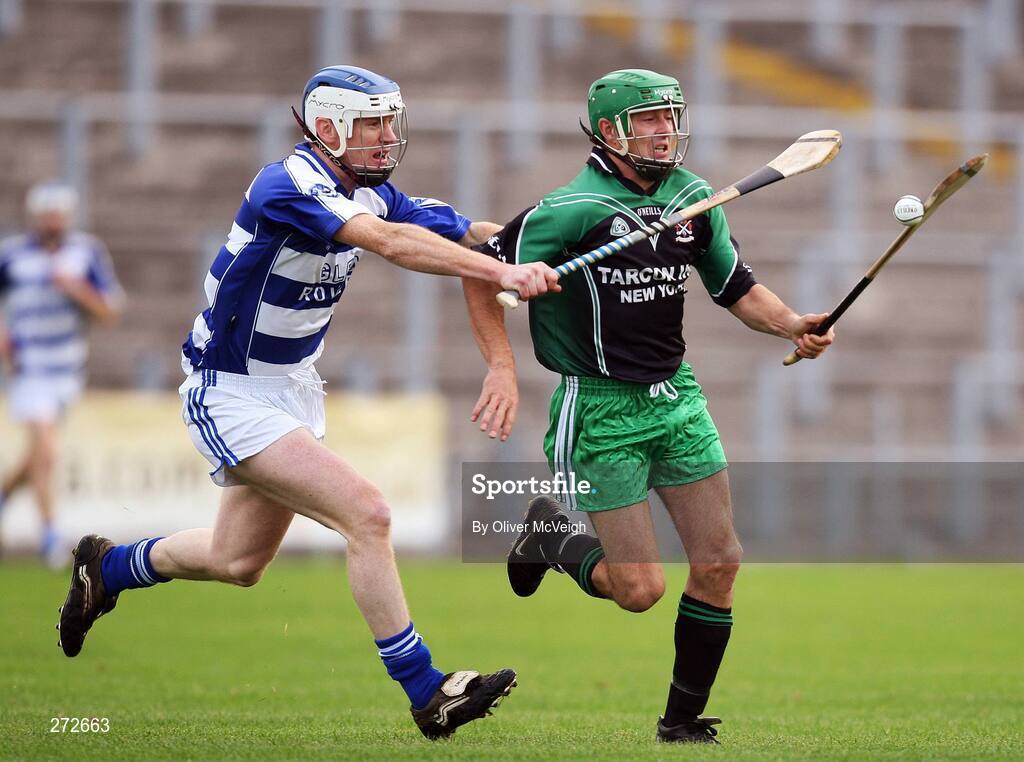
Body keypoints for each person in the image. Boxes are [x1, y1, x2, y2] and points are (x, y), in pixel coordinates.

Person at [56, 65, 559, 739]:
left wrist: (552, 239)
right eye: (371, 124)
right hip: (230, 391)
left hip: (292, 390)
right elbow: (390, 243)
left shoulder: (371, 192)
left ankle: (108, 567)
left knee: (239, 562)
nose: (386, 137)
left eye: (390, 122)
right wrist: (502, 273)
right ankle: (427, 692)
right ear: (327, 130)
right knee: (369, 515)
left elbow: (467, 232)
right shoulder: (288, 183)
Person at [463, 68, 834, 744]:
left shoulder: (696, 199)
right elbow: (478, 267)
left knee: (720, 562)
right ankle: (551, 537)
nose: (665, 131)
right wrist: (501, 363)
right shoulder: (568, 209)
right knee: (638, 592)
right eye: (649, 120)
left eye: (672, 117)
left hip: (677, 398)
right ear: (609, 132)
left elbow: (737, 287)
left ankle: (682, 721)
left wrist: (792, 324)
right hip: (601, 409)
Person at [0, 182, 123, 561]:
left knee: (39, 453)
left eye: (59, 214)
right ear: (36, 217)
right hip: (28, 366)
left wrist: (77, 290)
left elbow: (109, 311)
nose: (53, 221)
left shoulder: (85, 253)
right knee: (47, 448)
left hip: (67, 368)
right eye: (46, 214)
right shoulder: (12, 255)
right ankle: (51, 536)